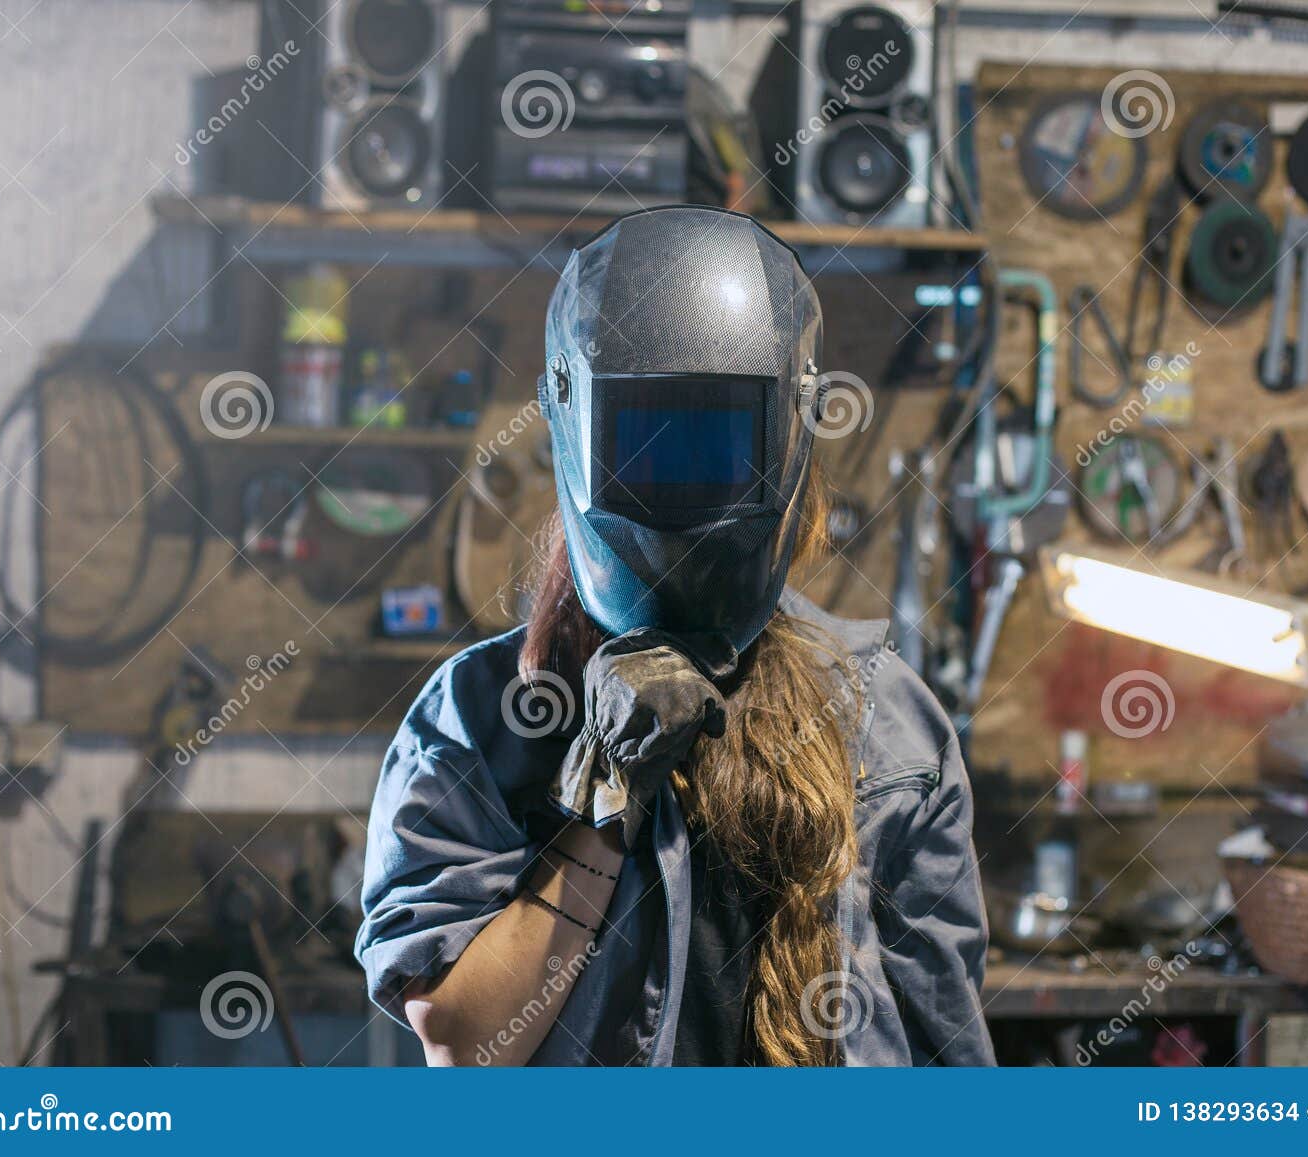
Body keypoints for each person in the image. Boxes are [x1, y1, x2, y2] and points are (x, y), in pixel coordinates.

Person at [357, 205, 992, 1066]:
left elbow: (944, 1046)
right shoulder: (486, 718)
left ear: (790, 435)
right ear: (574, 425)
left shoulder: (889, 722)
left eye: (719, 436)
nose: (684, 487)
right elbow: (465, 1042)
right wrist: (603, 805)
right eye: (648, 438)